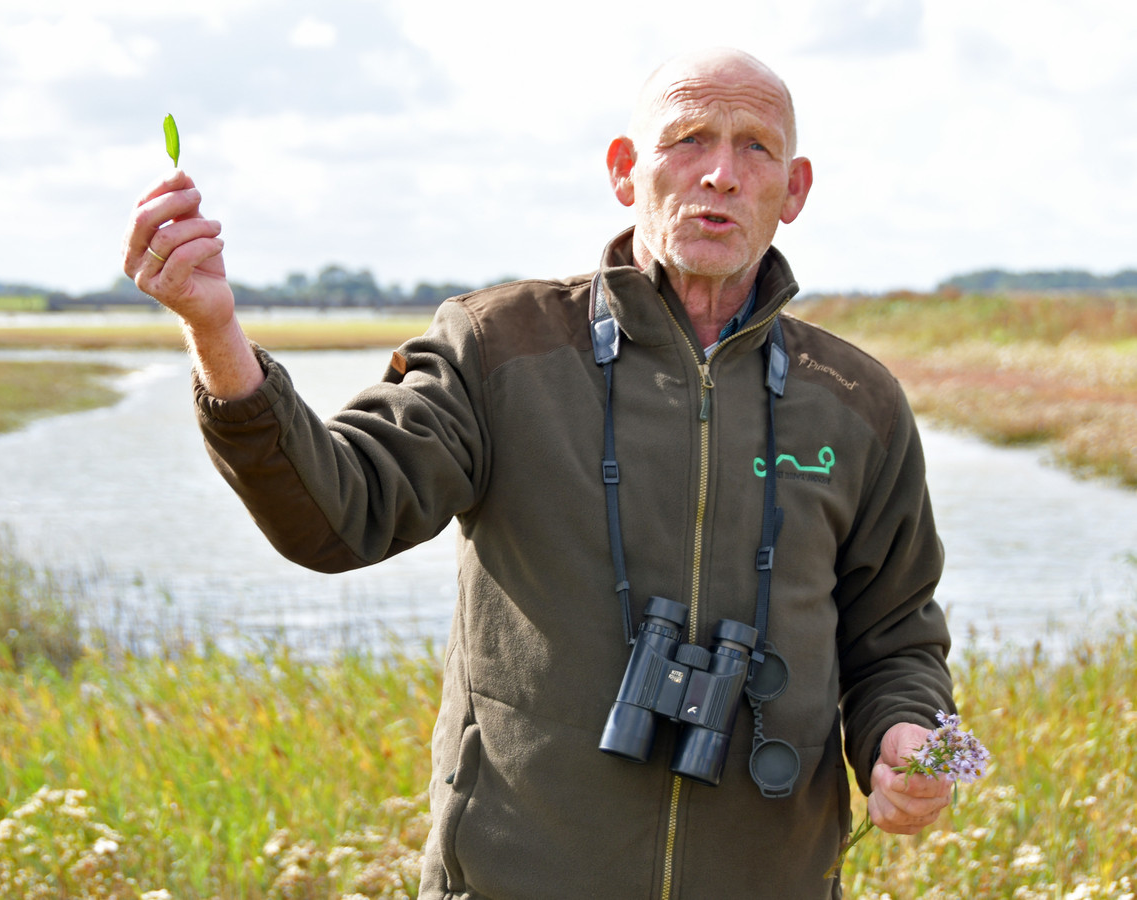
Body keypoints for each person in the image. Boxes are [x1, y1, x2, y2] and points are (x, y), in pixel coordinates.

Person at [123, 48, 956, 899]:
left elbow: (896, 636)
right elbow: (338, 514)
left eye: (755, 147)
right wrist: (215, 333)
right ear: (623, 171)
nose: (720, 174)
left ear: (794, 189)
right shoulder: (496, 347)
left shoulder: (855, 401)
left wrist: (905, 735)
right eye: (687, 140)